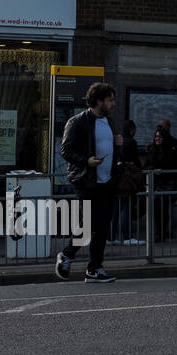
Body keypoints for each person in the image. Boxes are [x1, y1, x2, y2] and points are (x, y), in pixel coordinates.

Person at [55, 82, 122, 283]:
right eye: (110, 100)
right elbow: (65, 150)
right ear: (99, 101)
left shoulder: (108, 123)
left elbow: (110, 150)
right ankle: (66, 255)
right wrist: (86, 161)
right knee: (90, 223)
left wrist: (119, 147)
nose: (114, 104)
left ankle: (94, 269)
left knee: (102, 226)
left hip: (107, 182)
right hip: (86, 181)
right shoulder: (78, 122)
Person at [110, 120, 144, 246]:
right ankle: (127, 236)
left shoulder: (118, 141)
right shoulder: (131, 142)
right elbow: (135, 161)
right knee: (127, 207)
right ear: (132, 129)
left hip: (116, 179)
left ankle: (110, 236)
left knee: (115, 209)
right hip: (127, 180)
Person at [146, 123, 177, 241]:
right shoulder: (151, 149)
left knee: (164, 210)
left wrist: (163, 171)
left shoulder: (169, 151)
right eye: (156, 137)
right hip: (154, 183)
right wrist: (152, 170)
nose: (157, 139)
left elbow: (175, 167)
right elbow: (146, 165)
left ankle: (162, 233)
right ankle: (158, 232)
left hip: (165, 184)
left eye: (160, 137)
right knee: (156, 210)